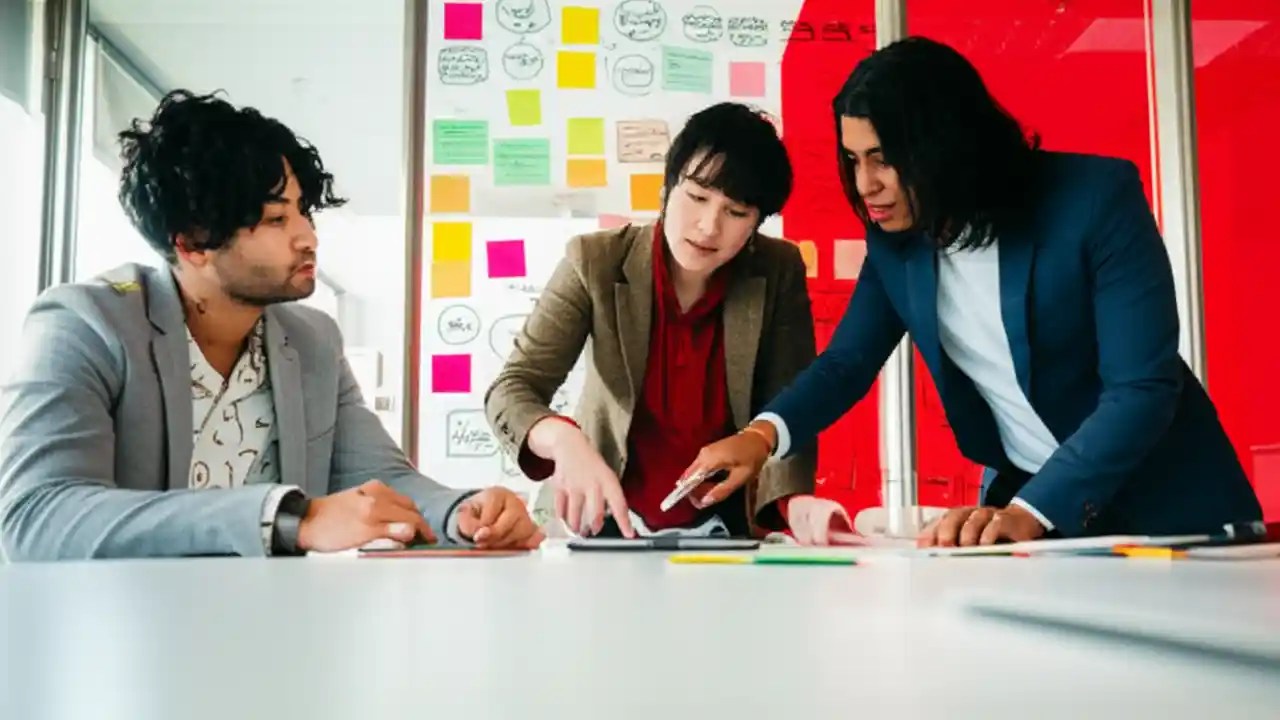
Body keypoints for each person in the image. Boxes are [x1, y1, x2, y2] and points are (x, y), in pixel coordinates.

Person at [684, 37, 1262, 546]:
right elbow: (846, 364)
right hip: (1039, 520)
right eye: (854, 160)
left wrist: (1032, 510)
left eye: (884, 161)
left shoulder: (1093, 199)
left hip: (1170, 511)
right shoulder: (896, 240)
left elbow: (1142, 388)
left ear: (945, 145)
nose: (865, 186)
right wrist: (760, 437)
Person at [0, 90, 541, 561]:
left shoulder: (311, 341)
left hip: (275, 630)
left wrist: (463, 513)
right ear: (191, 243)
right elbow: (38, 514)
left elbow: (383, 480)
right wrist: (286, 520)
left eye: (304, 211)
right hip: (120, 640)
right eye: (277, 219)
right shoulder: (84, 324)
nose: (308, 237)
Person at [485, 102, 852, 544]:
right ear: (666, 189)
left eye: (736, 213)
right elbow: (513, 388)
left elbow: (789, 398)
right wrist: (564, 442)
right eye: (696, 197)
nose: (708, 226)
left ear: (757, 223)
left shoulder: (777, 269)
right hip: (599, 521)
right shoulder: (595, 261)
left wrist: (791, 504)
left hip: (725, 530)